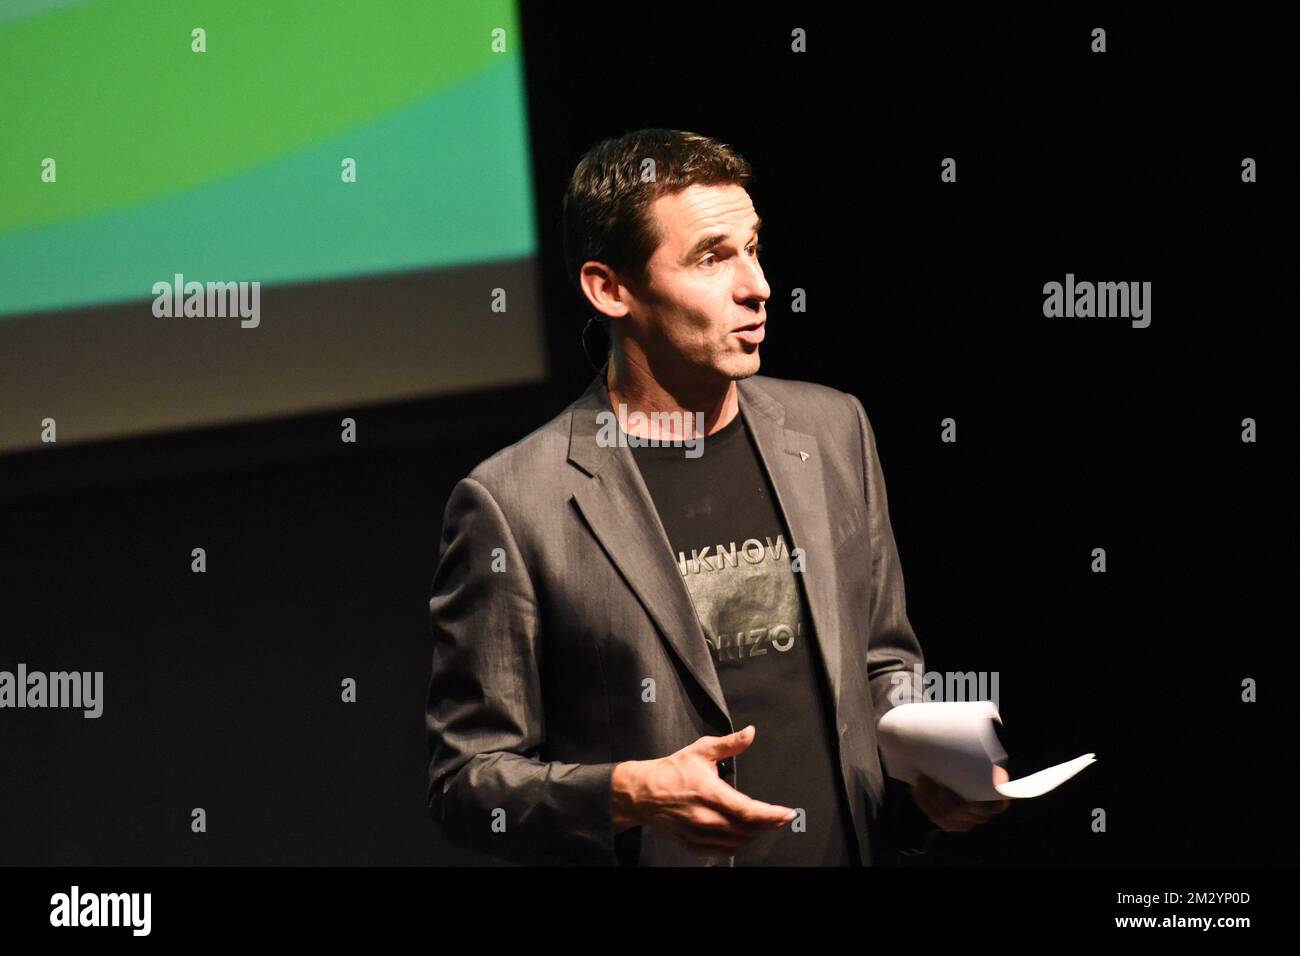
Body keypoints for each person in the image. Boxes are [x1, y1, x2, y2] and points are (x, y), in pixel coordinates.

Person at [425, 128, 1009, 866]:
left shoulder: (833, 429)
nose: (756, 285)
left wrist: (932, 765)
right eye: (711, 257)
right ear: (611, 290)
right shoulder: (513, 502)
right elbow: (467, 779)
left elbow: (883, 662)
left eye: (754, 247)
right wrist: (627, 793)